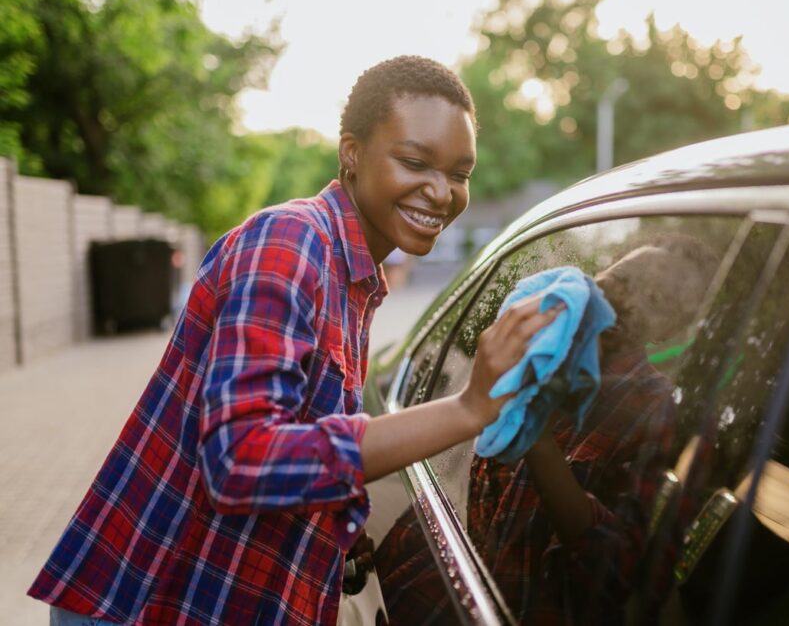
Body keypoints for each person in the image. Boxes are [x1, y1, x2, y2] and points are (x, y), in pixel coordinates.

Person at [28, 55, 561, 626]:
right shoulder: (291, 244)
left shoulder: (356, 280)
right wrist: (468, 409)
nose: (440, 191)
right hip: (149, 604)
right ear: (351, 154)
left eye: (460, 174)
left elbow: (299, 434)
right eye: (414, 162)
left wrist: (335, 525)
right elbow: (239, 458)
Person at [375, 236, 720, 624]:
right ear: (595, 276)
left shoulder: (654, 411)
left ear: (670, 330)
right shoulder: (531, 342)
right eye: (623, 278)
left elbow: (618, 572)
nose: (627, 301)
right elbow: (463, 491)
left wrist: (536, 438)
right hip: (426, 594)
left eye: (656, 300)